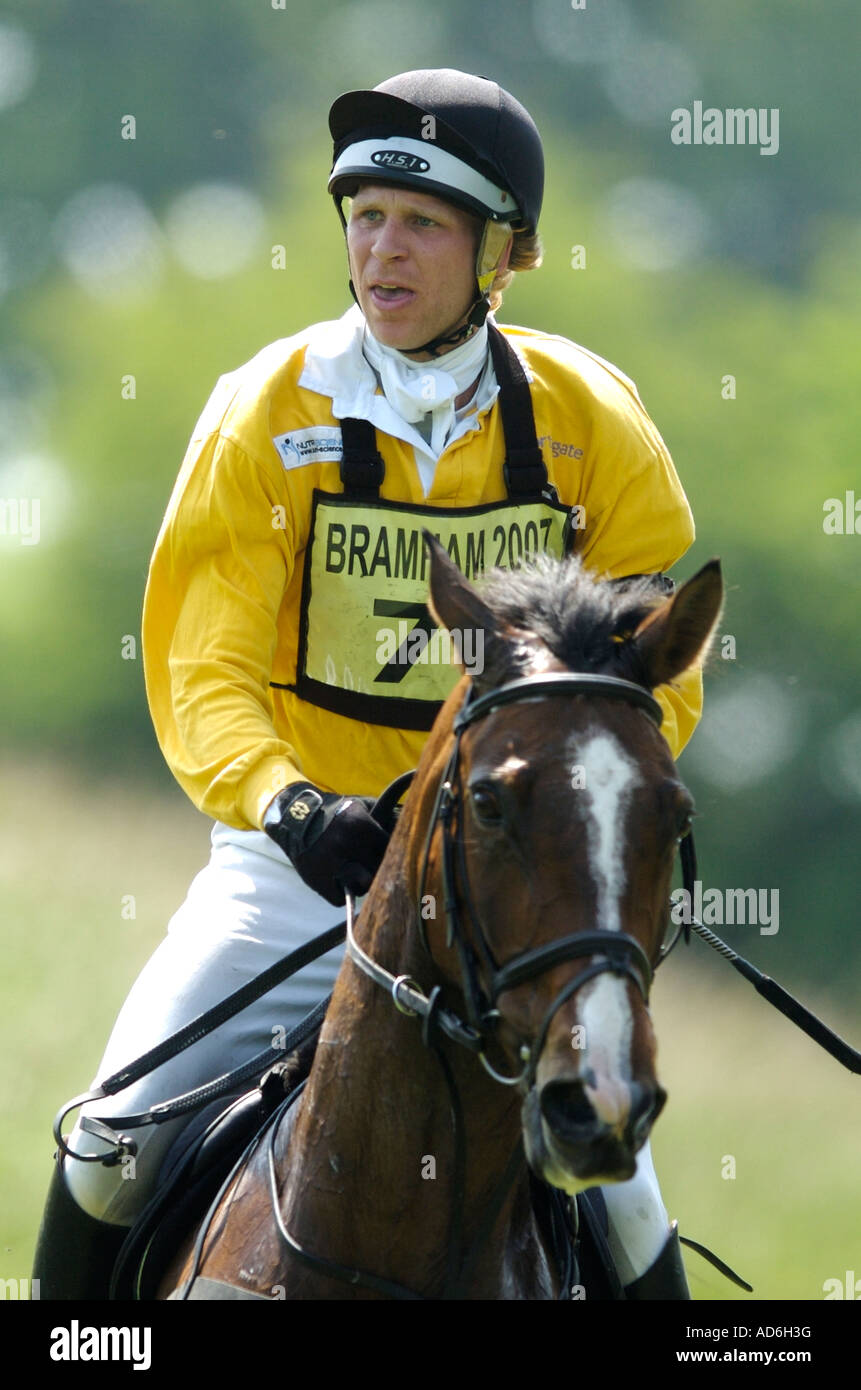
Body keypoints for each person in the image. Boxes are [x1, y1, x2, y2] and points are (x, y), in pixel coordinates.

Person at [33, 68, 702, 1300]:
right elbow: (204, 664)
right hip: (300, 873)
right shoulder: (265, 409)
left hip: (503, 889)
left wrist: (555, 836)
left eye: (424, 223)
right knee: (110, 1138)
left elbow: (649, 687)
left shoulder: (594, 423)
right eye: (366, 217)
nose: (382, 249)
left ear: (503, 253)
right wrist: (288, 805)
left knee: (626, 1195)